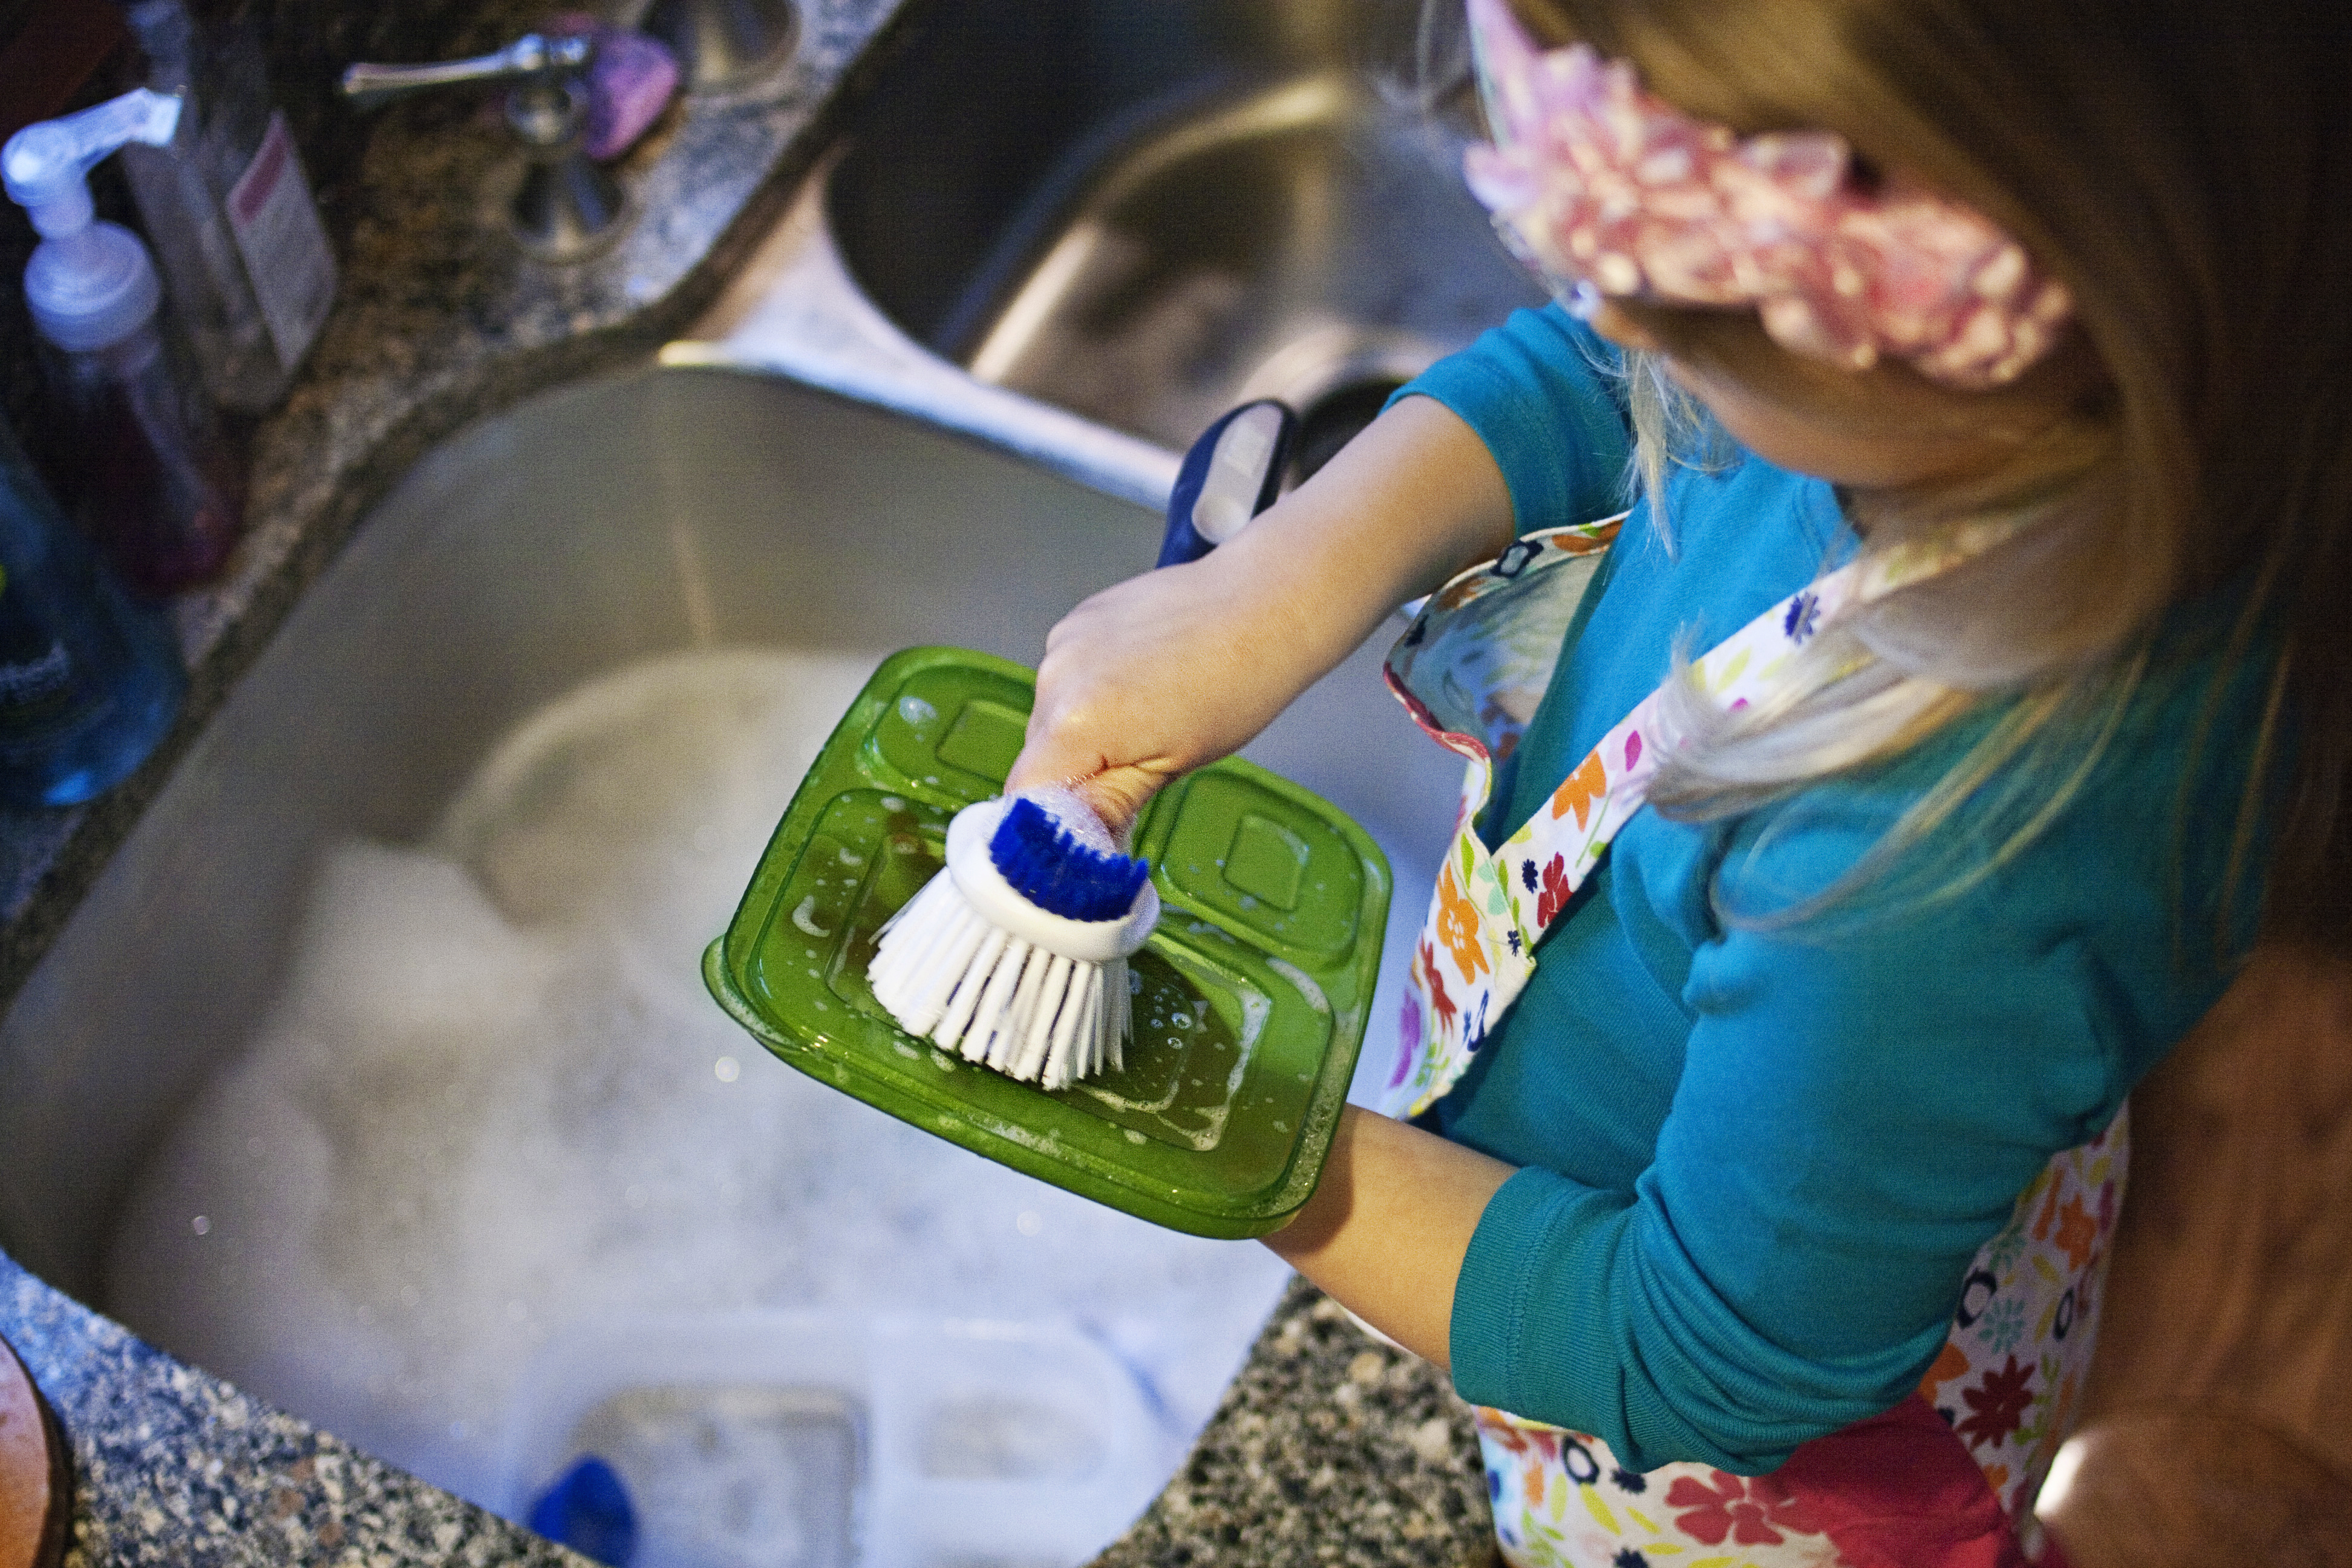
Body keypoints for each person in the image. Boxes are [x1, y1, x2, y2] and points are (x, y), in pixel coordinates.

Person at [1004, 0, 2352, 1561]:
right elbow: (1591, 375)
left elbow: (1698, 1356)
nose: (1614, 321)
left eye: (1670, 308)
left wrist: (1214, 1126)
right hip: (1776, 1195)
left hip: (1747, 1477)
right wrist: (1280, 586)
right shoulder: (1951, 404)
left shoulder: (1950, 857)